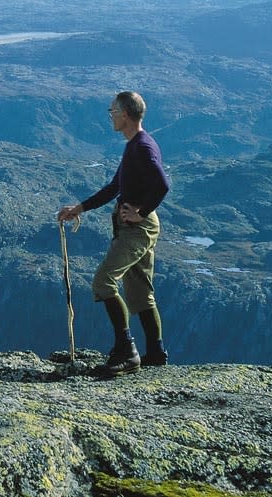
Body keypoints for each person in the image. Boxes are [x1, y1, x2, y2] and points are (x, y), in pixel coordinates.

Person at [58, 91, 171, 376]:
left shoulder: (142, 147)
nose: (110, 116)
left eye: (113, 111)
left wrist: (140, 213)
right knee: (140, 291)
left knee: (103, 282)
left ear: (126, 114)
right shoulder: (135, 145)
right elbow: (115, 187)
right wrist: (79, 208)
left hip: (137, 228)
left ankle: (126, 351)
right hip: (135, 226)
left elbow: (163, 184)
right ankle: (156, 353)